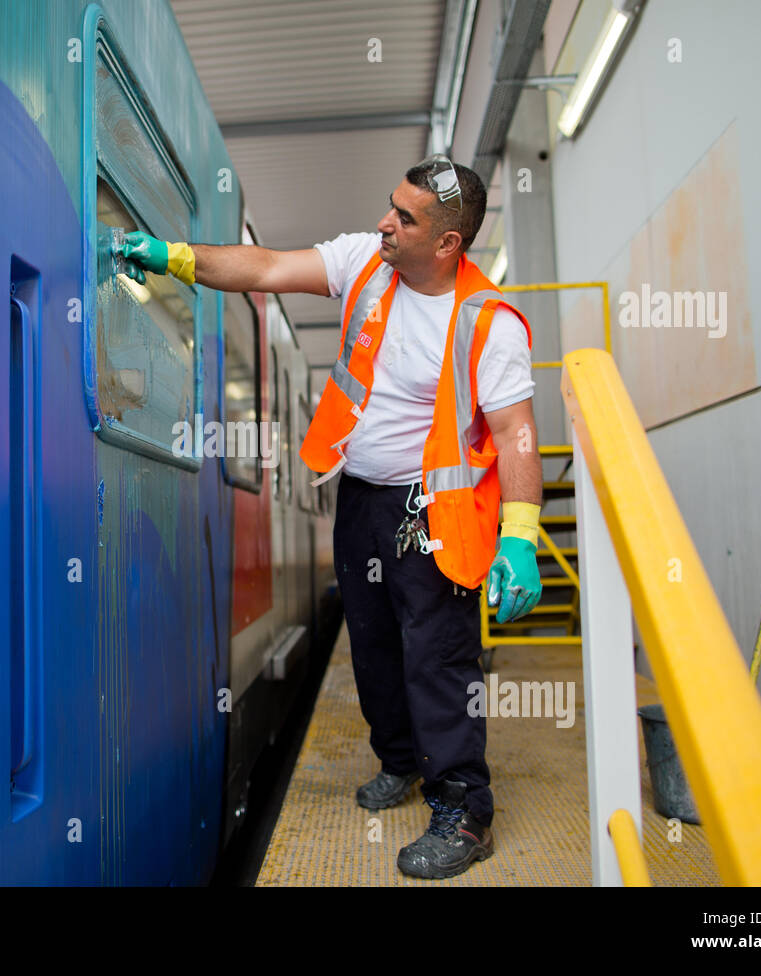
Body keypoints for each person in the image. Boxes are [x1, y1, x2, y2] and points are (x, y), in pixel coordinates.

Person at [118, 155, 543, 880]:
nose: (385, 222)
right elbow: (265, 269)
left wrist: (522, 537)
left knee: (438, 660)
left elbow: (515, 436)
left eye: (405, 218)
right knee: (374, 649)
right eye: (391, 205)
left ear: (448, 244)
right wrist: (178, 258)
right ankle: (401, 762)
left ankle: (464, 811)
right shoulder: (364, 263)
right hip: (362, 499)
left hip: (431, 510)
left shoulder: (487, 324)